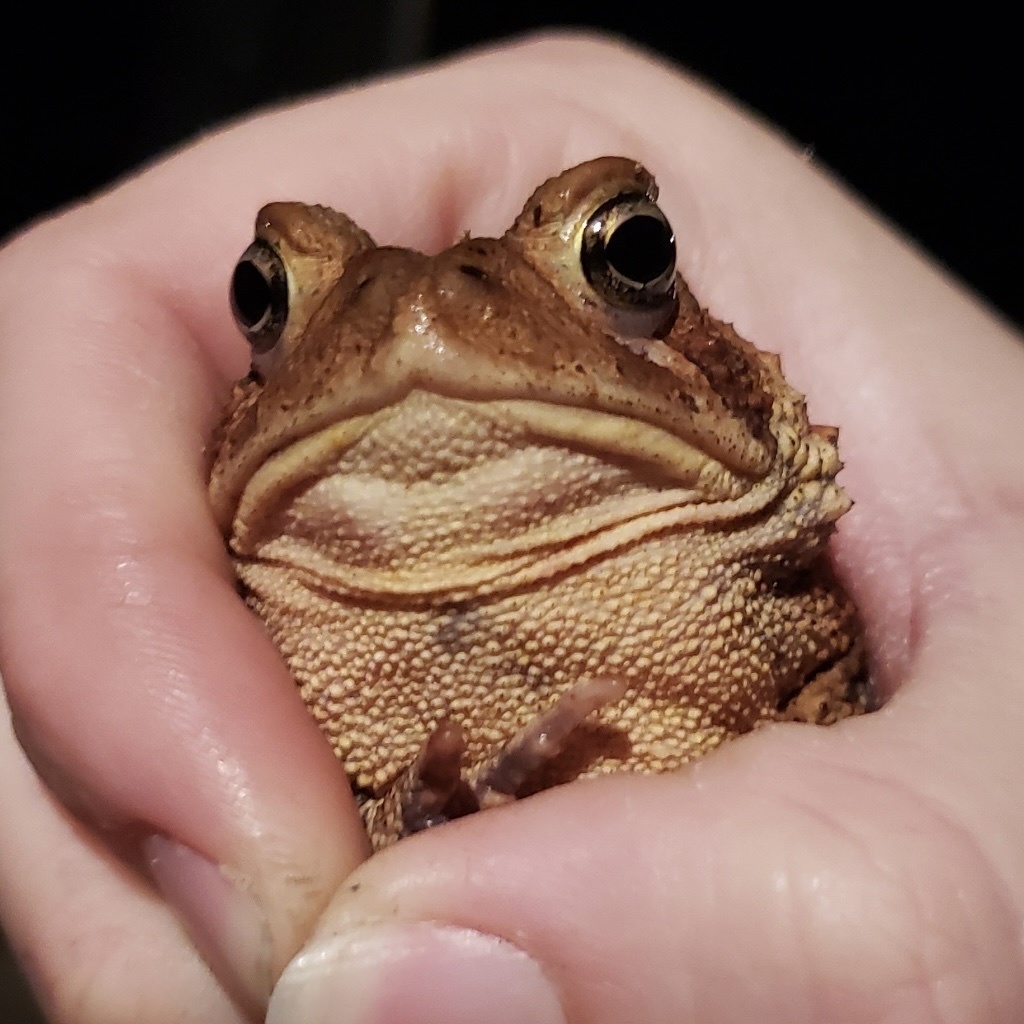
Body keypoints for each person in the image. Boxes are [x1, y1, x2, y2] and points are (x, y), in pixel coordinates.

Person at [1, 35, 1022, 1024]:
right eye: (268, 299)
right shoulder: (258, 635)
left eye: (624, 256)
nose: (418, 332)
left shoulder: (834, 629)